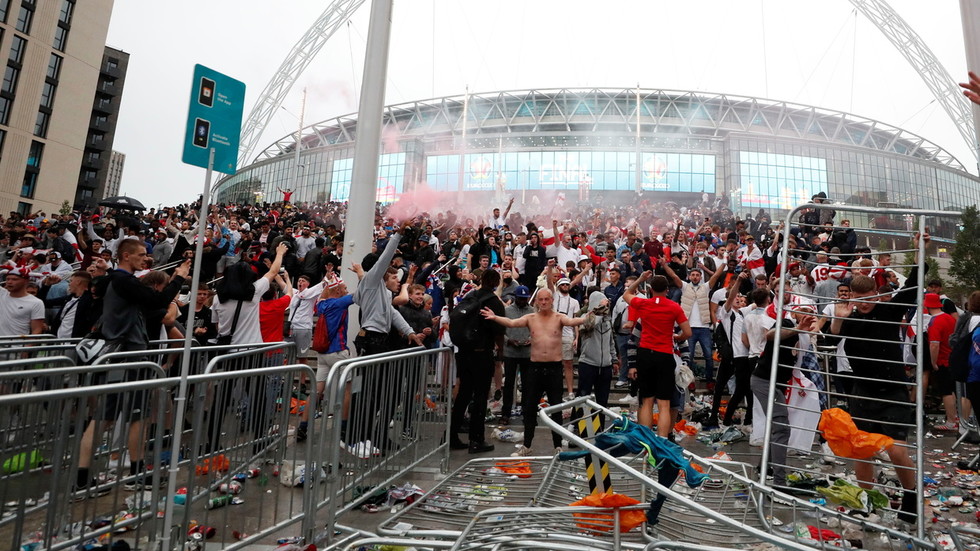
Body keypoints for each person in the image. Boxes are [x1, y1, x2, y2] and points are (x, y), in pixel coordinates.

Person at [80, 239, 190, 492]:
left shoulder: (118, 281)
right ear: (126, 256)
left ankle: (86, 477)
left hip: (122, 354)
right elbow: (159, 301)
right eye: (141, 255)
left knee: (108, 417)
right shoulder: (123, 281)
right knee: (132, 416)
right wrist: (178, 277)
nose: (146, 259)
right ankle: (133, 473)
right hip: (128, 353)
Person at [830, 251, 926, 524]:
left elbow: (914, 285)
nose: (863, 304)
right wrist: (839, 316)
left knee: (895, 450)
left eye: (867, 298)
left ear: (876, 293)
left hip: (893, 391)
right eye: (857, 300)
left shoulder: (889, 310)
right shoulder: (849, 316)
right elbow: (830, 337)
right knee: (862, 449)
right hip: (862, 392)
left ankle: (910, 496)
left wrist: (919, 252)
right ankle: (865, 501)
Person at [481, 287, 595, 456]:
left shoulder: (559, 318)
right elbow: (511, 323)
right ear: (536, 302)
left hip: (554, 368)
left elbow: (574, 322)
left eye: (546, 299)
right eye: (540, 299)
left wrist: (590, 315)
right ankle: (527, 445)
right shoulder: (530, 318)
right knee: (529, 408)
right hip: (534, 368)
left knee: (556, 408)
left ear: (552, 301)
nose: (543, 302)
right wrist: (494, 317)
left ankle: (557, 445)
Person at [623, 271, 691, 438]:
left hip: (646, 354)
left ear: (650, 289)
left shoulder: (644, 303)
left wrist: (640, 278)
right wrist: (678, 337)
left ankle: (646, 441)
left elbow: (626, 294)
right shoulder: (675, 307)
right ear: (667, 290)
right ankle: (662, 440)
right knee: (664, 404)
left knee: (646, 401)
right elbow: (687, 332)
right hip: (664, 355)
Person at [451, 269, 506, 453]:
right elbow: (499, 330)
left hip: (464, 353)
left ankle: (451, 436)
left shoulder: (470, 296)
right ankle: (476, 439)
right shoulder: (493, 302)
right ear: (497, 283)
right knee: (481, 396)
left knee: (463, 395)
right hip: (482, 353)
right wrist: (500, 352)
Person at [576, 290, 618, 409]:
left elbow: (611, 342)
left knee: (602, 401)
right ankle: (575, 424)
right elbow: (590, 325)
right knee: (582, 397)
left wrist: (614, 360)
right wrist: (599, 309)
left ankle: (600, 426)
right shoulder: (585, 318)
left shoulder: (608, 320)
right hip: (588, 364)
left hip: (605, 366)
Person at [500, 285, 533, 425]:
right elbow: (501, 329)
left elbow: (536, 329)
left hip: (526, 352)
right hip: (510, 352)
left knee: (527, 384)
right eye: (520, 299)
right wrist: (508, 341)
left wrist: (531, 339)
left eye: (525, 299)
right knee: (508, 384)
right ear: (515, 297)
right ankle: (505, 413)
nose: (522, 301)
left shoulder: (532, 311)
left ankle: (527, 413)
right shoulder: (507, 311)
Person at [926, 292, 958, 431]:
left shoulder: (934, 321)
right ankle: (955, 417)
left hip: (942, 360)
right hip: (952, 358)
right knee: (952, 390)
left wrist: (933, 362)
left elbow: (934, 344)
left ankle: (951, 421)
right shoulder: (949, 318)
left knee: (946, 391)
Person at [0, 266, 46, 336]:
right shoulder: (2, 294)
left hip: (18, 345)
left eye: (14, 279)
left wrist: (28, 346)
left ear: (26, 281)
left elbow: (37, 330)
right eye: (7, 279)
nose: (9, 282)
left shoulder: (36, 303)